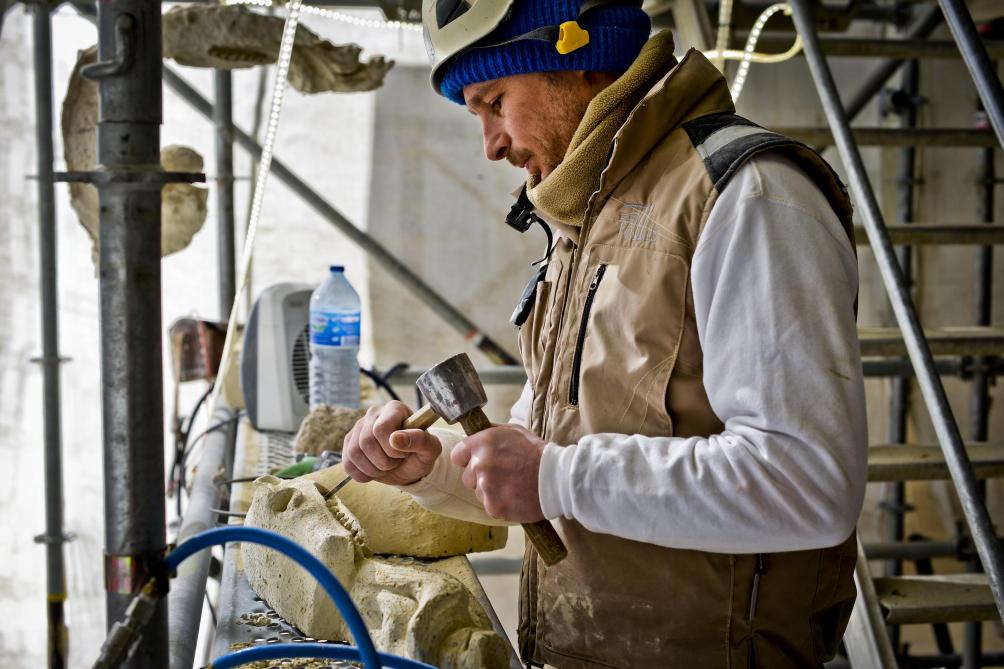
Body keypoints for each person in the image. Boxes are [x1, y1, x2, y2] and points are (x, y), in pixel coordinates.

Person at [342, 1, 868, 666]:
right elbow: (539, 460)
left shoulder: (746, 196)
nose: (491, 144)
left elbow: (806, 481)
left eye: (494, 101)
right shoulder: (588, 219)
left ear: (578, 61)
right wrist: (433, 466)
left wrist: (556, 476)